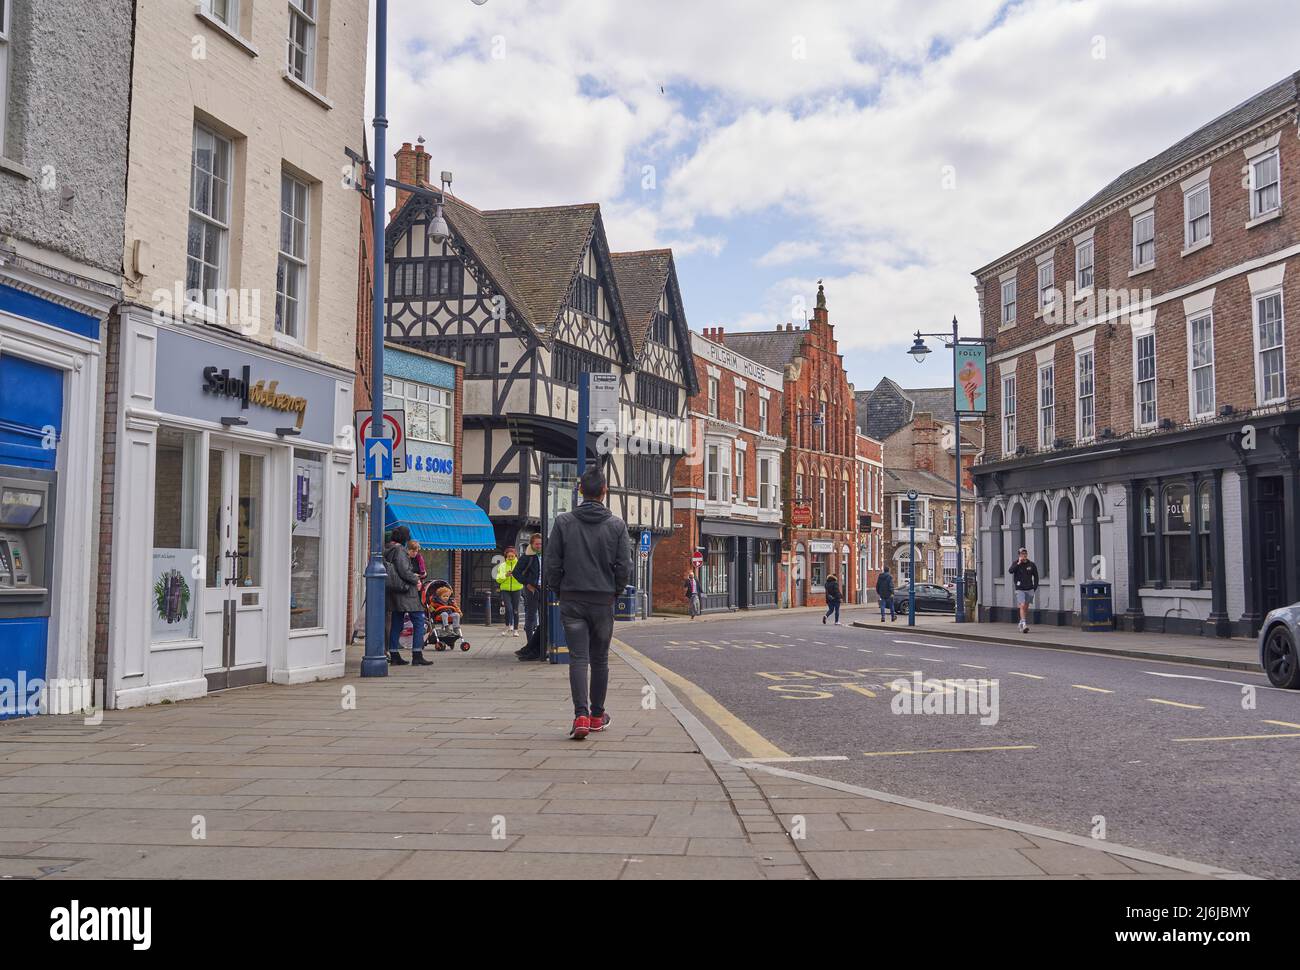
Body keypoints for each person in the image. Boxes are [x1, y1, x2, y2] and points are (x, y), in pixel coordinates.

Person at [545, 466, 632, 740]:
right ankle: (597, 715)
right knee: (600, 659)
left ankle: (580, 715)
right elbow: (624, 567)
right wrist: (614, 592)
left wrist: (559, 590)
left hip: (571, 598)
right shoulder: (617, 525)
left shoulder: (563, 522)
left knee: (578, 658)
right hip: (602, 600)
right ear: (605, 491)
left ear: (580, 490)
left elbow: (552, 563)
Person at [384, 526, 429, 666]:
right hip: (406, 592)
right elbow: (404, 571)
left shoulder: (386, 549)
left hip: (393, 591)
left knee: (397, 622)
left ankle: (394, 654)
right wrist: (416, 579)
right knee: (419, 619)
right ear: (404, 537)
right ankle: (417, 654)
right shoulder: (400, 550)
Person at [513, 532, 543, 638]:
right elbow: (515, 572)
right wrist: (527, 583)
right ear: (531, 544)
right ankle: (530, 643)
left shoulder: (547, 556)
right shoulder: (526, 557)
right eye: (537, 544)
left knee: (545, 617)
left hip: (544, 589)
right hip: (532, 590)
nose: (539, 546)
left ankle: (542, 642)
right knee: (531, 617)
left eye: (540, 544)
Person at [1008, 546, 1040, 633]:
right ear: (1019, 555)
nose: (1024, 555)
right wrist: (1018, 563)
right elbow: (1010, 571)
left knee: (1026, 607)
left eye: (1025, 553)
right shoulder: (1016, 564)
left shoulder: (1031, 564)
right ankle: (1024, 624)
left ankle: (1020, 622)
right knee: (1022, 605)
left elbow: (1036, 576)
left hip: (1029, 588)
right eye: (1022, 554)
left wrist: (1034, 587)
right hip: (1020, 589)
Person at [495, 545, 524, 636]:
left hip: (517, 589)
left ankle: (515, 630)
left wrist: (515, 575)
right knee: (508, 609)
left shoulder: (520, 565)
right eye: (509, 556)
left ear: (515, 556)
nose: (511, 558)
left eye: (512, 556)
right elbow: (498, 579)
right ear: (506, 557)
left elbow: (523, 578)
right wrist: (506, 576)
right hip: (505, 590)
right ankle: (507, 626)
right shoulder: (502, 566)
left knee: (515, 610)